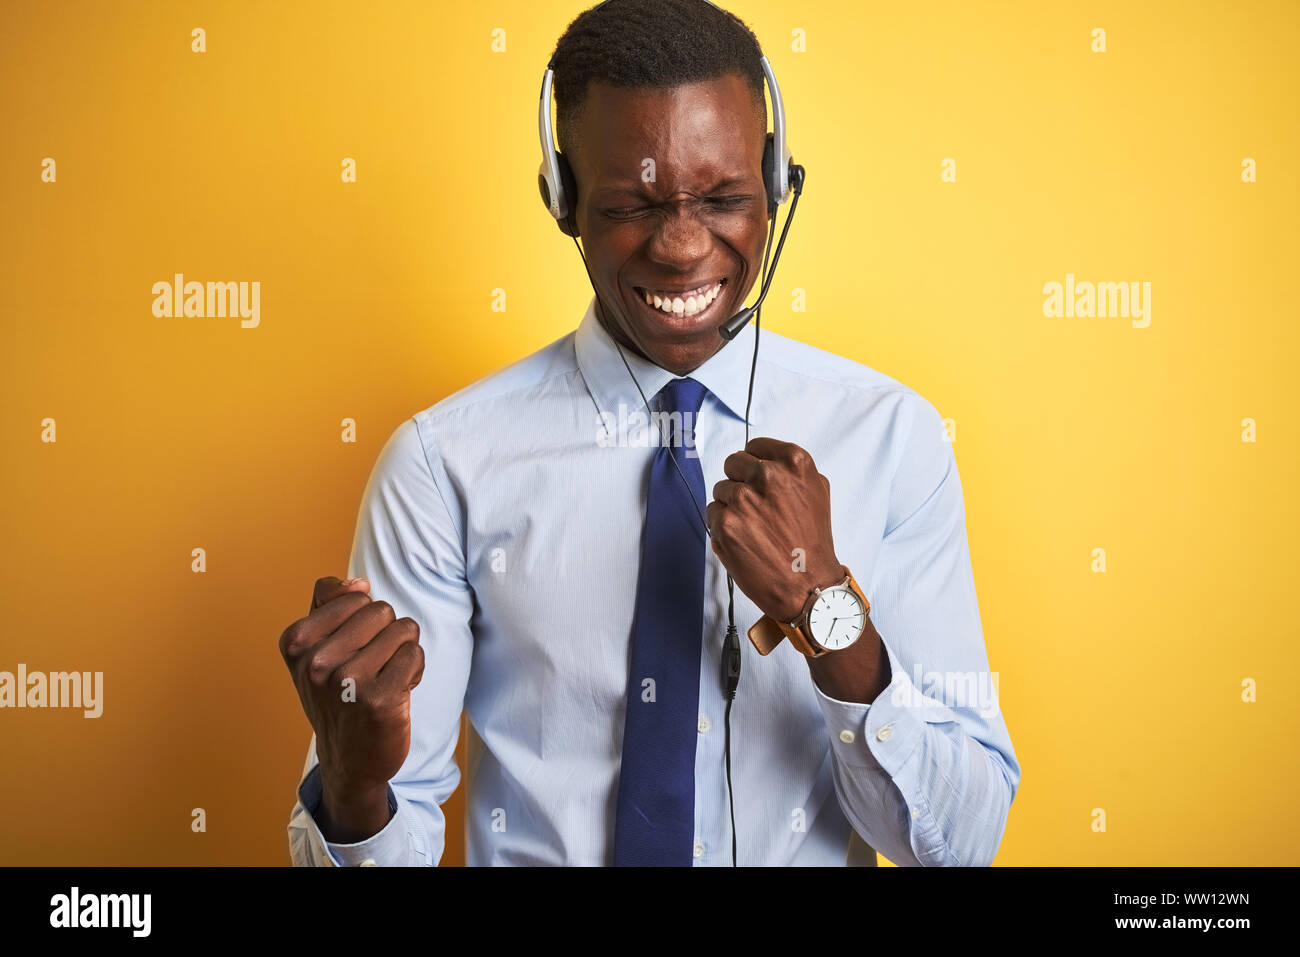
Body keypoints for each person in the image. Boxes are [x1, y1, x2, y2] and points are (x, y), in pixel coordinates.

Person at [279, 0, 1019, 867]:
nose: (680, 247)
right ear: (563, 199)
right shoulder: (444, 464)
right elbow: (387, 838)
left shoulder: (893, 439)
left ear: (778, 185)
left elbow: (962, 845)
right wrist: (359, 791)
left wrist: (824, 606)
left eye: (725, 198)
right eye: (633, 204)